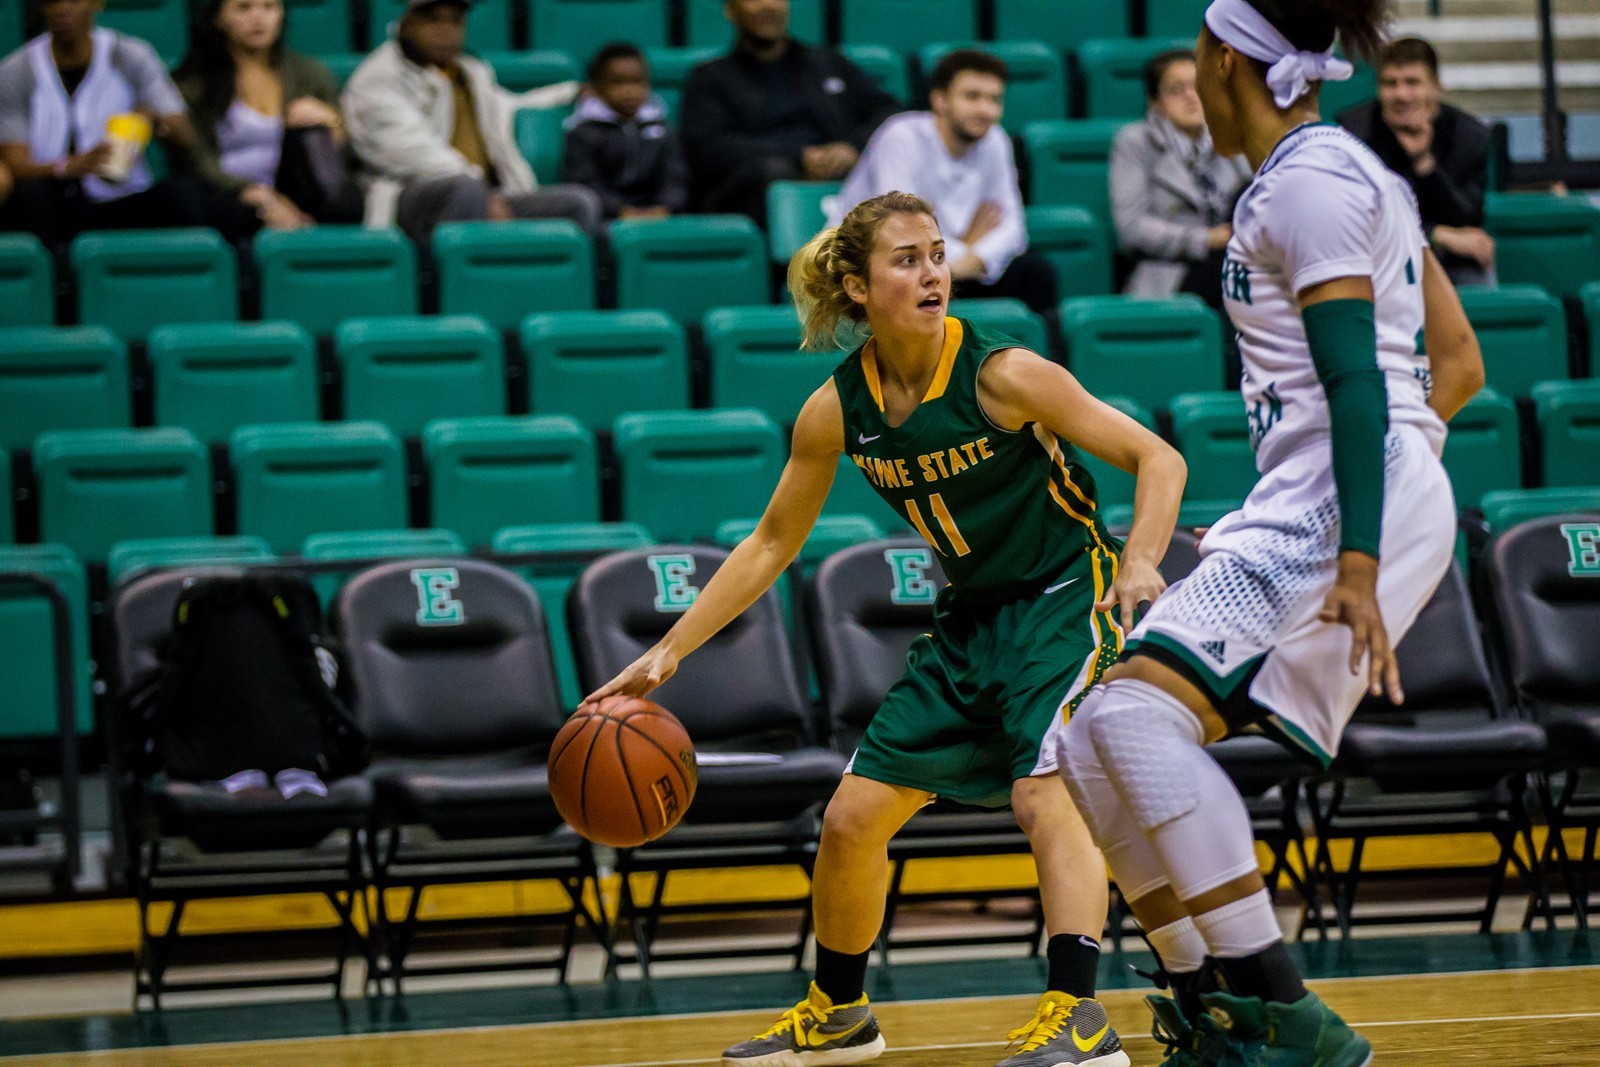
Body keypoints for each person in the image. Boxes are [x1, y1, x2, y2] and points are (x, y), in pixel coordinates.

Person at [582, 190, 1188, 1067]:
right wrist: (666, 651)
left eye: (938, 253)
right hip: (971, 617)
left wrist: (1141, 559)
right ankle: (840, 1014)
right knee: (853, 816)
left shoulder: (1003, 373)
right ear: (859, 288)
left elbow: (1158, 457)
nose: (933, 271)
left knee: (1043, 790)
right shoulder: (836, 409)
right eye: (907, 258)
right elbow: (771, 541)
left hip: (1065, 595)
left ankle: (1079, 1017)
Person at [1055, 2, 1486, 1065]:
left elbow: (1353, 379)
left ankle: (1291, 1018)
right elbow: (1460, 360)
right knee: (1085, 734)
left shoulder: (1309, 185)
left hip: (1345, 499)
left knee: (1138, 726)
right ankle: (1207, 1006)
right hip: (1323, 488)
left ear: (1216, 61)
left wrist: (1358, 549)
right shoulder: (1343, 174)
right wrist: (1342, 479)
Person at [341, 0, 602, 243]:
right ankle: (448, 288)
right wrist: (478, 187)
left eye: (455, 21)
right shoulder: (377, 78)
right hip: (408, 198)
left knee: (579, 203)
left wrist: (570, 93)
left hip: (485, 192)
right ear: (407, 22)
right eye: (433, 20)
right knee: (464, 191)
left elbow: (505, 106)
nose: (446, 30)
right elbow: (409, 151)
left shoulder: (468, 71)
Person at [831, 50, 1057, 316]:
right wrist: (963, 247)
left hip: (949, 264)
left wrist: (973, 258)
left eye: (995, 99)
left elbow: (1013, 228)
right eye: (972, 97)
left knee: (1037, 273)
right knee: (913, 276)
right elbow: (900, 234)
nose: (986, 110)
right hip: (877, 265)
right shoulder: (901, 136)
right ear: (939, 100)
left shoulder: (996, 139)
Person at [0, 0, 207, 249]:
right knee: (32, 197)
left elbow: (185, 133)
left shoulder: (130, 55)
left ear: (97, 3)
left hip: (121, 197)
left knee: (181, 195)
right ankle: (56, 280)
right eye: (52, 1)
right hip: (52, 202)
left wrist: (152, 120)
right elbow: (15, 162)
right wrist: (70, 166)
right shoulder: (16, 70)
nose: (62, 9)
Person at [680, 0, 898, 226]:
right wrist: (798, 156)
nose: (768, 6)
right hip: (756, 190)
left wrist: (852, 147)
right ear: (731, 11)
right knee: (772, 172)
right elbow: (707, 149)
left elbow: (890, 112)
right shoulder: (709, 78)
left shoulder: (826, 63)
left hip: (836, 170)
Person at [173, 0, 361, 241]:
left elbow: (345, 156)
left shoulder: (310, 74)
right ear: (218, 18)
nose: (258, 18)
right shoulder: (194, 84)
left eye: (269, 7)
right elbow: (196, 161)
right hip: (230, 195)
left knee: (313, 135)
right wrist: (255, 194)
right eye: (244, 8)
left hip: (300, 189)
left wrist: (331, 121)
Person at [1338, 36, 1494, 286]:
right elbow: (1356, 219)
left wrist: (1423, 162)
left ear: (1436, 88)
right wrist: (1436, 233)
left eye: (1412, 83)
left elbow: (1466, 224)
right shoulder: (1354, 133)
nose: (1401, 94)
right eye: (1390, 83)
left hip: (1449, 264)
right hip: (1376, 261)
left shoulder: (1469, 136)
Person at [1109, 49, 1251, 305]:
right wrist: (1207, 239)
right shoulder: (1135, 142)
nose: (1190, 96)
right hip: (1171, 271)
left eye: (1199, 87)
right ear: (1155, 101)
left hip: (1232, 258)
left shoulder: (1228, 137)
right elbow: (1131, 228)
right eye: (1176, 89)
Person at [562, 42, 689, 220]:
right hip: (606, 218)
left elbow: (674, 176)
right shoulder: (582, 132)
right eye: (617, 82)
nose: (629, 91)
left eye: (637, 81)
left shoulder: (663, 128)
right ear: (596, 87)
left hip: (660, 215)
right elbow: (585, 182)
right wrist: (620, 210)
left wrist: (664, 207)